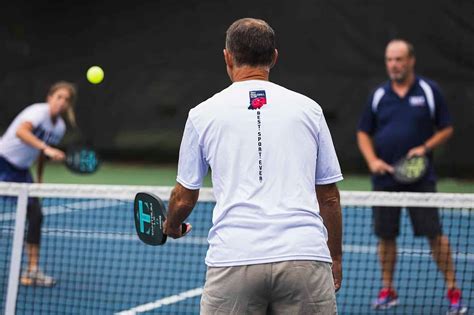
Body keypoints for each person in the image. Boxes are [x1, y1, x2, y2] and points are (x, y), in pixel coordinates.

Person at [163, 18, 343, 314]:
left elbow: (184, 197)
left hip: (234, 258)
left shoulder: (201, 114)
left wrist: (171, 226)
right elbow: (330, 198)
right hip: (305, 255)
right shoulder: (310, 110)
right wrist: (334, 257)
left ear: (228, 57)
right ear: (274, 57)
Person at [357, 39, 467, 314]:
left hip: (420, 179)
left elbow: (446, 128)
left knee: (435, 235)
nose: (393, 64)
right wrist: (372, 160)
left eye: (398, 59)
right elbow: (362, 132)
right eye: (389, 60)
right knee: (385, 236)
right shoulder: (379, 95)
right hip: (385, 180)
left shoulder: (429, 91)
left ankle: (453, 290)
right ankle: (387, 289)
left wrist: (425, 147)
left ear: (410, 60)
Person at [0, 81, 77, 287]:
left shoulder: (59, 128)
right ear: (49, 97)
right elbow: (21, 132)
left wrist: (39, 182)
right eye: (58, 97)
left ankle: (33, 270)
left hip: (21, 172)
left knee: (36, 215)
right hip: (2, 162)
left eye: (66, 100)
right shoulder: (38, 112)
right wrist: (46, 148)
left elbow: (41, 155)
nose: (61, 102)